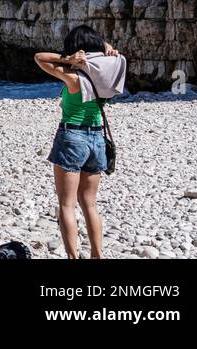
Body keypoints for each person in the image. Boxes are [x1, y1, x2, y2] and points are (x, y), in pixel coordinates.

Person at [35, 26, 124, 259]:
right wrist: (106, 49)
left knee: (66, 204)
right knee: (90, 205)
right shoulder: (105, 79)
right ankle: (97, 255)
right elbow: (107, 56)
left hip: (72, 137)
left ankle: (73, 258)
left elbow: (39, 58)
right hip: (96, 139)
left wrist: (68, 59)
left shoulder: (73, 78)